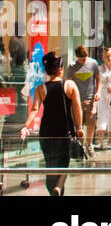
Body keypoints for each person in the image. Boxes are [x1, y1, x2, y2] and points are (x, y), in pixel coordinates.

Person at [20, 52, 84, 196]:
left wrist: (26, 126)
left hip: (47, 133)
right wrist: (79, 128)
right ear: (61, 69)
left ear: (47, 71)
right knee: (64, 163)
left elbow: (35, 109)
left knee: (50, 165)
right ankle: (59, 188)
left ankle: (54, 190)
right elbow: (77, 108)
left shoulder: (41, 89)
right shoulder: (70, 85)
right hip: (65, 132)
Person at [68, 45, 100, 157]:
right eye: (81, 59)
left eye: (84, 58)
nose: (83, 61)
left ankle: (89, 144)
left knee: (91, 122)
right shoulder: (72, 66)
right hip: (76, 100)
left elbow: (98, 77)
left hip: (90, 98)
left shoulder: (93, 63)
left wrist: (97, 92)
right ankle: (81, 147)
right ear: (77, 57)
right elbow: (69, 81)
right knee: (79, 125)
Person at [96, 47, 111, 151]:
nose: (109, 58)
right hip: (102, 95)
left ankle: (110, 141)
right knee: (102, 116)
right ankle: (100, 142)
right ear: (104, 58)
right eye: (107, 57)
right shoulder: (100, 68)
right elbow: (97, 82)